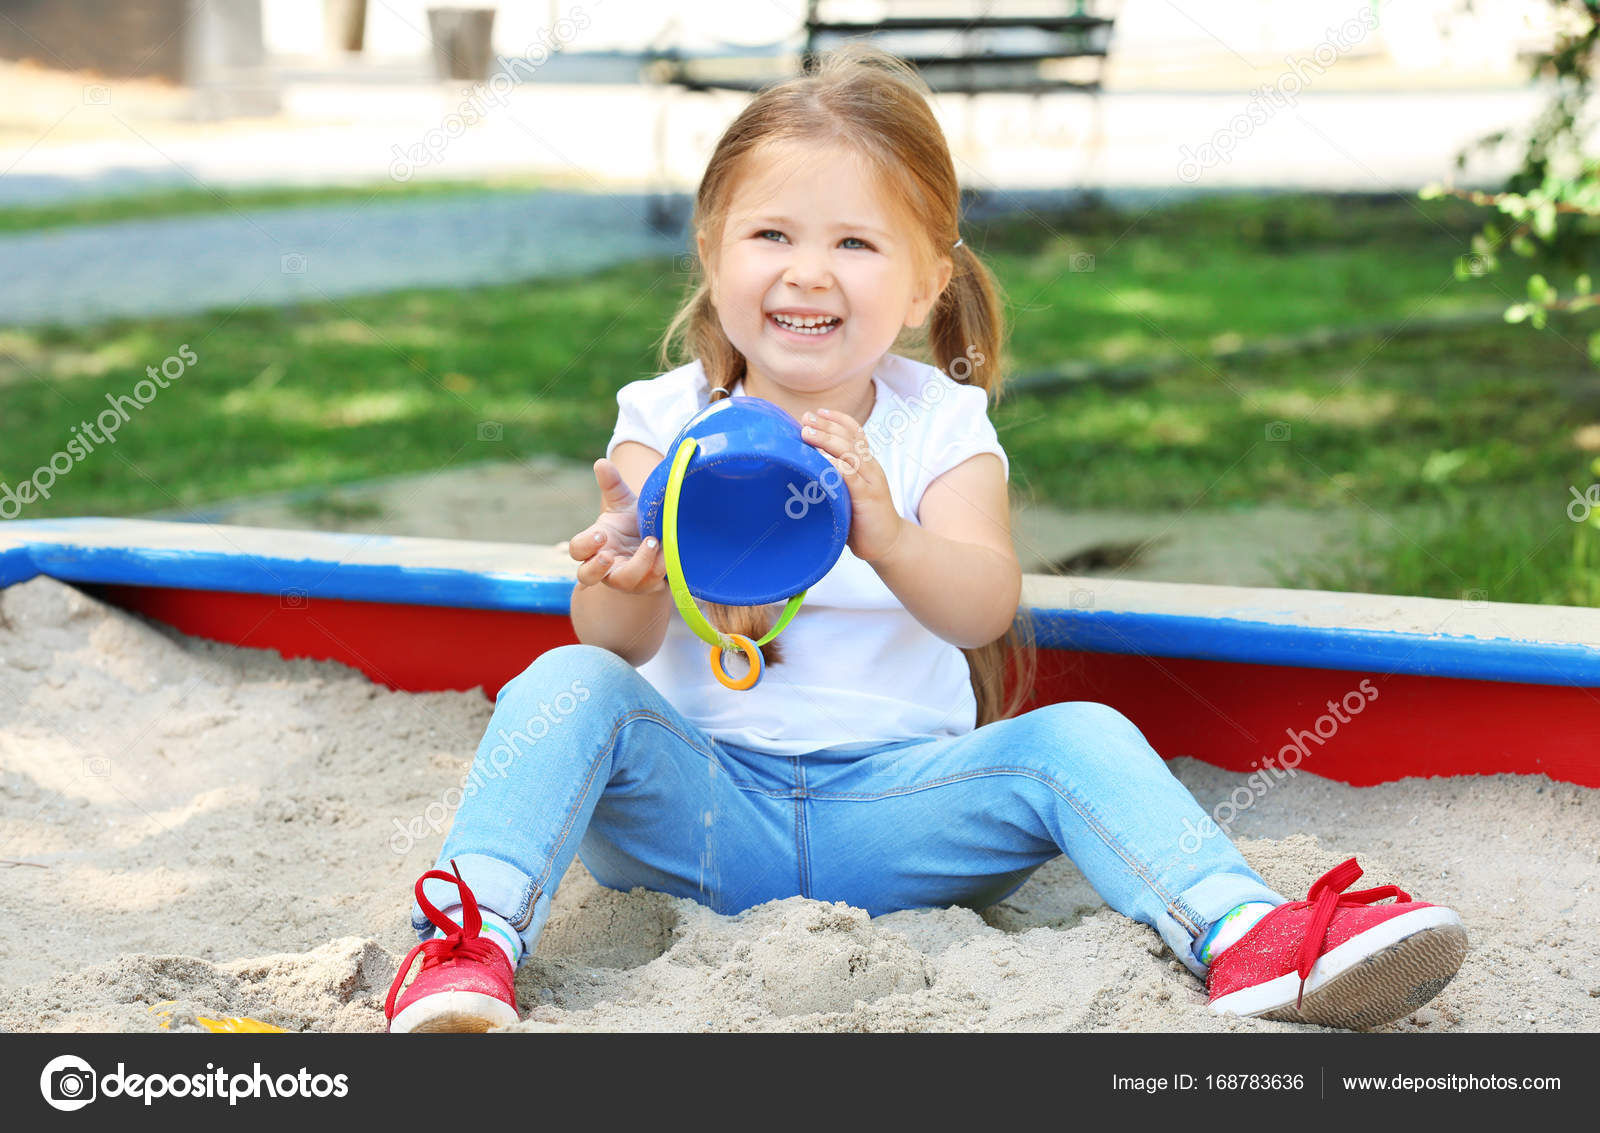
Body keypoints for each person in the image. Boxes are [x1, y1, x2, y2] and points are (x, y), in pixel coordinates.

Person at [383, 44, 1467, 1034]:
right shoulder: (663, 415)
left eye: (854, 242)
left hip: (895, 816)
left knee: (1074, 735)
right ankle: (467, 941)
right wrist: (637, 562)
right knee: (563, 679)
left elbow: (980, 606)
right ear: (713, 253)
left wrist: (887, 532)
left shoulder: (940, 424)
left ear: (924, 284)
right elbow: (609, 641)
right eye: (772, 235)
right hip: (698, 810)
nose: (808, 272)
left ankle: (1248, 934)